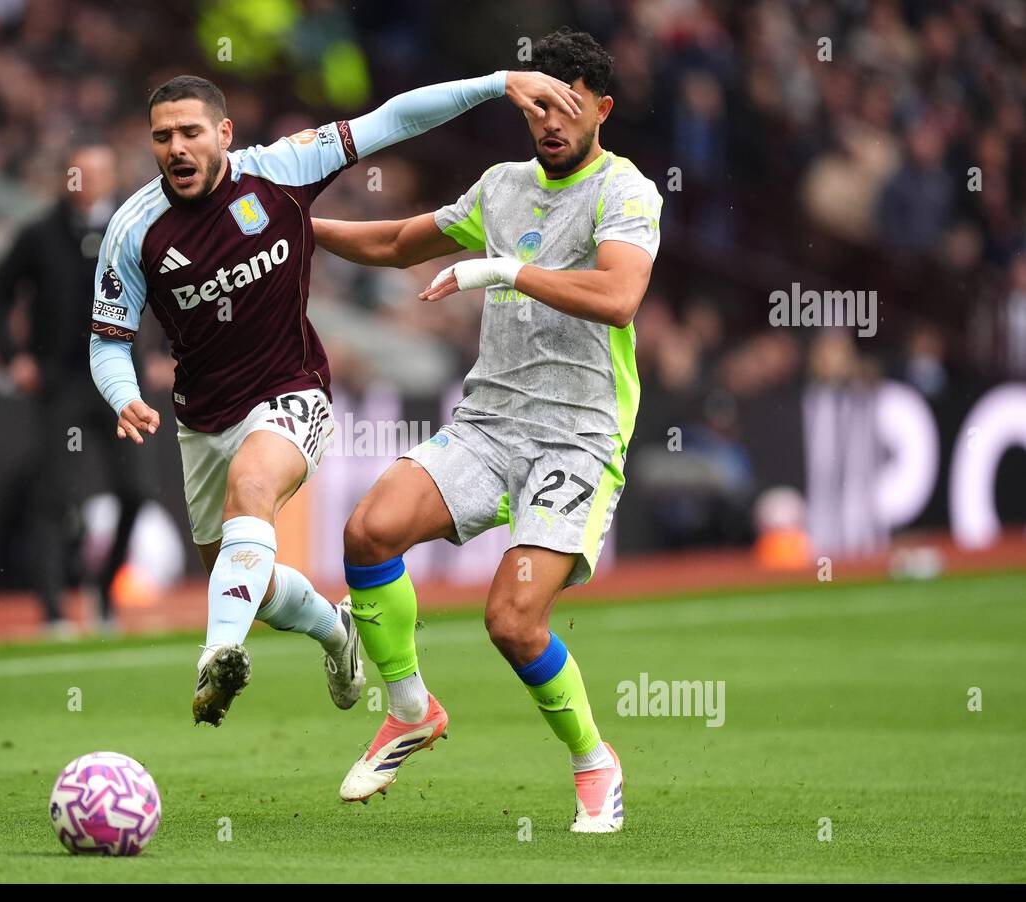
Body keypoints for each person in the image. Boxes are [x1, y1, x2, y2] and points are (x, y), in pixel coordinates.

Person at [89, 69, 581, 726]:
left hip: (292, 392)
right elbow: (106, 342)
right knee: (250, 583)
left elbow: (393, 118)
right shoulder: (133, 230)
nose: (176, 148)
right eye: (162, 137)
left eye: (189, 132)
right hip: (202, 420)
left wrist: (496, 82)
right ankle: (333, 631)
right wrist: (123, 394)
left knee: (253, 490)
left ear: (223, 133)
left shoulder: (284, 168)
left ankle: (219, 655)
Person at [312, 28, 663, 832]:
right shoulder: (502, 186)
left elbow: (619, 298)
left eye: (566, 108)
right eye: (536, 104)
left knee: (510, 620)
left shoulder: (627, 193)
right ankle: (409, 710)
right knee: (368, 531)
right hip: (488, 422)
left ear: (601, 111)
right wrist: (300, 231)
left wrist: (506, 270)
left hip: (576, 436)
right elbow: (401, 243)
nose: (548, 121)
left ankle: (593, 761)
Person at [0, 145, 160, 633]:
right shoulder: (41, 234)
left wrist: (168, 349)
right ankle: (52, 612)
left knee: (138, 489)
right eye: (80, 172)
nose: (89, 181)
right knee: (52, 496)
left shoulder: (134, 227)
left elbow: (171, 285)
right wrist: (12, 355)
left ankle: (103, 589)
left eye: (99, 172)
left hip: (124, 379)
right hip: (62, 379)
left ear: (112, 177)